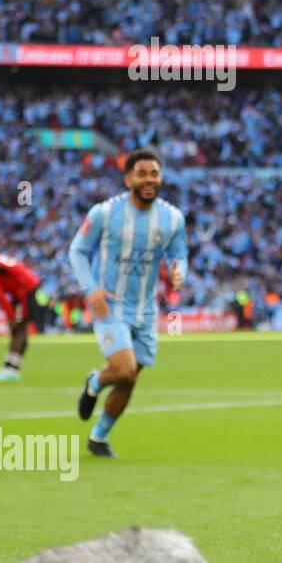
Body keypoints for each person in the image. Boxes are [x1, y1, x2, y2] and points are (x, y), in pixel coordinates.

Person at [67, 149, 189, 458]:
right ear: (128, 179)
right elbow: (77, 251)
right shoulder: (104, 214)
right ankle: (94, 381)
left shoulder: (172, 217)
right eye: (143, 173)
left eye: (155, 174)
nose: (150, 179)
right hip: (110, 305)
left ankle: (98, 437)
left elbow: (180, 254)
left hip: (146, 310)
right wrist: (91, 289)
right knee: (123, 370)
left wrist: (179, 271)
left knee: (131, 378)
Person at [0, 252, 42, 381]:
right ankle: (10, 367)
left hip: (24, 288)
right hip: (21, 286)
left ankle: (11, 369)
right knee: (18, 328)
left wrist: (11, 315)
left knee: (19, 327)